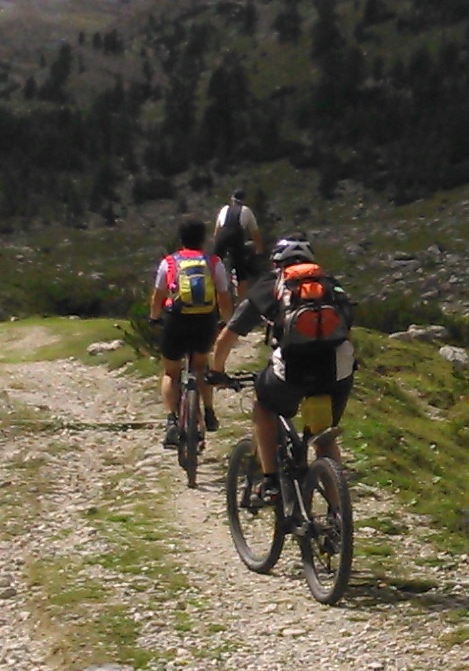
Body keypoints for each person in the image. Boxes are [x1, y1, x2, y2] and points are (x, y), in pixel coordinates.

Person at [208, 237, 354, 511]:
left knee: (264, 405)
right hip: (336, 370)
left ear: (277, 263)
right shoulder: (332, 286)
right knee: (324, 438)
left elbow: (228, 337)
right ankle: (337, 517)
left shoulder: (269, 286)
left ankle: (271, 480)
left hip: (294, 369)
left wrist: (217, 371)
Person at [148, 219, 233, 443]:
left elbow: (158, 296)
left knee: (170, 373)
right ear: (203, 239)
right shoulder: (214, 263)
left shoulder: (169, 262)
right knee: (200, 366)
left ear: (181, 238)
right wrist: (226, 323)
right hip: (204, 321)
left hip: (176, 320)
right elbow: (223, 298)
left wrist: (154, 318)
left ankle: (171, 420)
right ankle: (209, 411)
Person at [210, 189, 268, 293]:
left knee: (214, 267)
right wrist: (259, 249)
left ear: (232, 200)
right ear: (245, 200)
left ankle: (213, 293)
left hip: (221, 237)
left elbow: (216, 231)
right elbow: (255, 233)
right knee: (240, 271)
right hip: (235, 237)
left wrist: (216, 246)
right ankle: (242, 300)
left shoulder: (224, 209)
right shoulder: (246, 210)